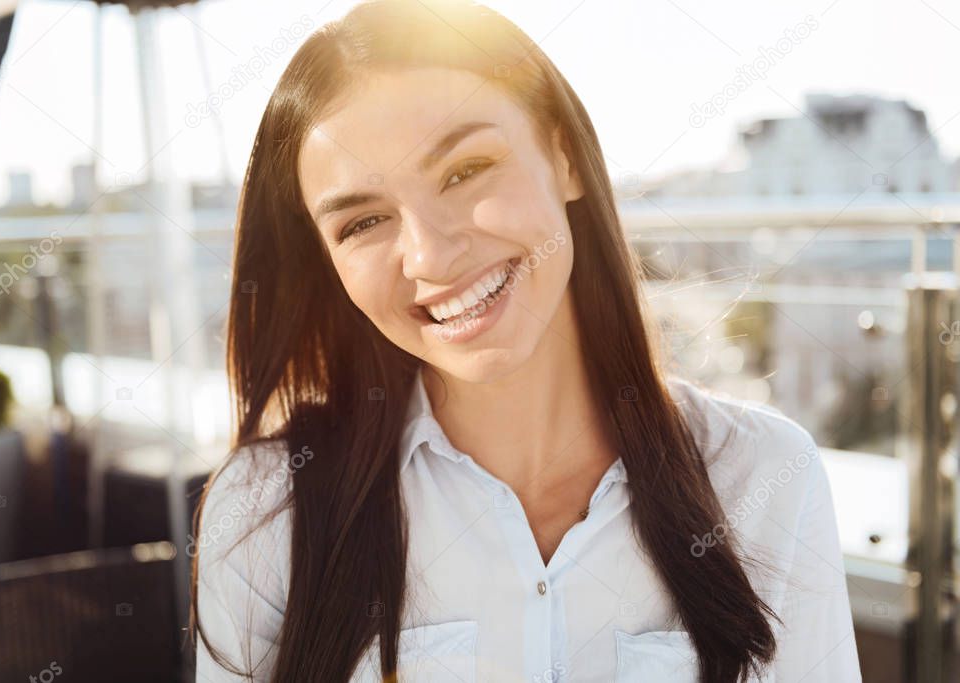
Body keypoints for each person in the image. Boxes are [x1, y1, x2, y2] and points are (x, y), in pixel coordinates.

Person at [191, 1, 862, 680]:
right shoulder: (265, 515)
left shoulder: (764, 475)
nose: (430, 255)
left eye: (463, 171)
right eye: (364, 221)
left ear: (563, 155)